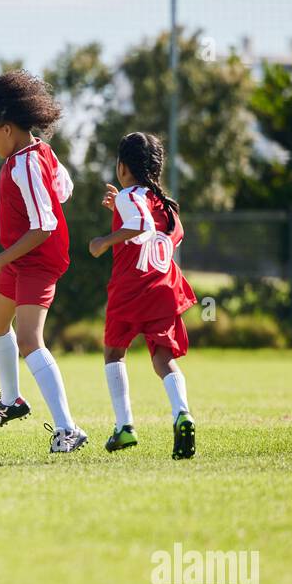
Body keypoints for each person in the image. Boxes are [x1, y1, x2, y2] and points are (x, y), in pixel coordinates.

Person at [0, 70, 87, 453]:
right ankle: (13, 400)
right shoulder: (38, 151)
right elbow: (66, 190)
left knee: (28, 339)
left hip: (37, 259)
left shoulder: (24, 164)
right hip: (23, 257)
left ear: (7, 129)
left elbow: (45, 225)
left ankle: (68, 428)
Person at [88, 132, 197, 459]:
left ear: (122, 166)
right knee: (163, 360)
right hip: (163, 291)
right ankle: (182, 414)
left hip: (130, 289)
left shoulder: (131, 198)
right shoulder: (167, 206)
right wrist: (118, 210)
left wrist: (105, 240)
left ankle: (124, 427)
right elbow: (159, 235)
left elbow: (141, 225)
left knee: (113, 354)